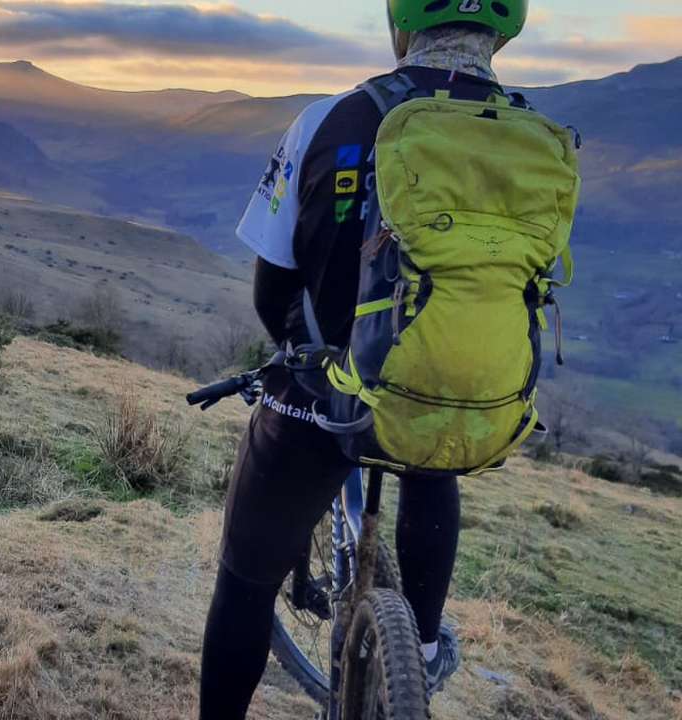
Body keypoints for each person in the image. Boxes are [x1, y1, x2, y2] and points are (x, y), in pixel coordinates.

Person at [199, 1, 531, 717]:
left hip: (324, 396)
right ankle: (423, 644)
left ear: (401, 20)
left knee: (244, 584)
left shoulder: (333, 120)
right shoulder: (530, 138)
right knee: (428, 460)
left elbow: (272, 289)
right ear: (507, 26)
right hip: (458, 401)